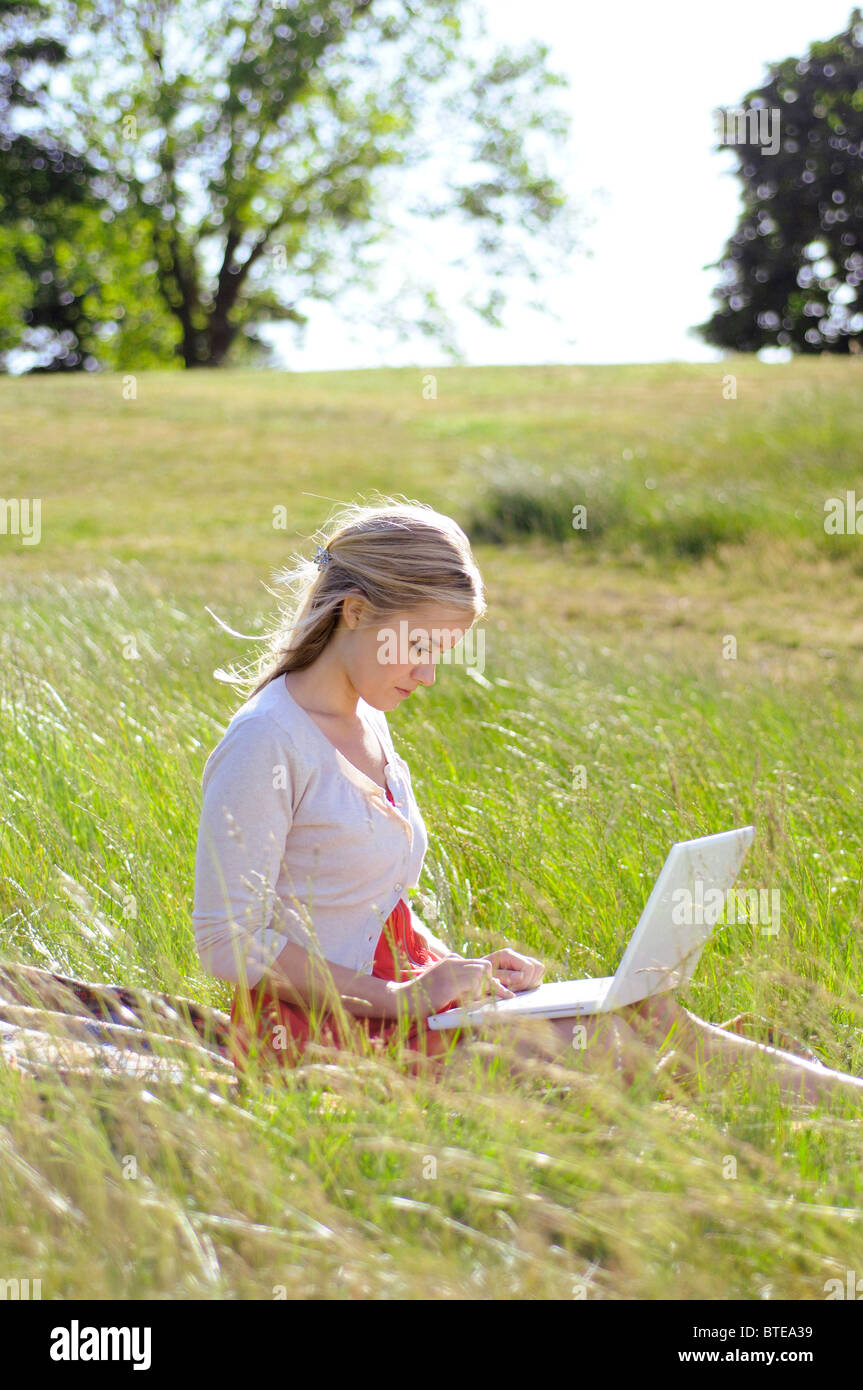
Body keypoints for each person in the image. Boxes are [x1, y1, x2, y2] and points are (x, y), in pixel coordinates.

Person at [192, 499, 863, 1107]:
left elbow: (367, 904)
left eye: (441, 654)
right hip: (322, 1037)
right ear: (356, 612)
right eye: (418, 648)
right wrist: (400, 998)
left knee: (653, 1015)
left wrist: (466, 973)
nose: (427, 676)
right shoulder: (266, 742)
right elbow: (228, 941)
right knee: (610, 1048)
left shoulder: (367, 719)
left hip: (403, 1002)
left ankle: (844, 1104)